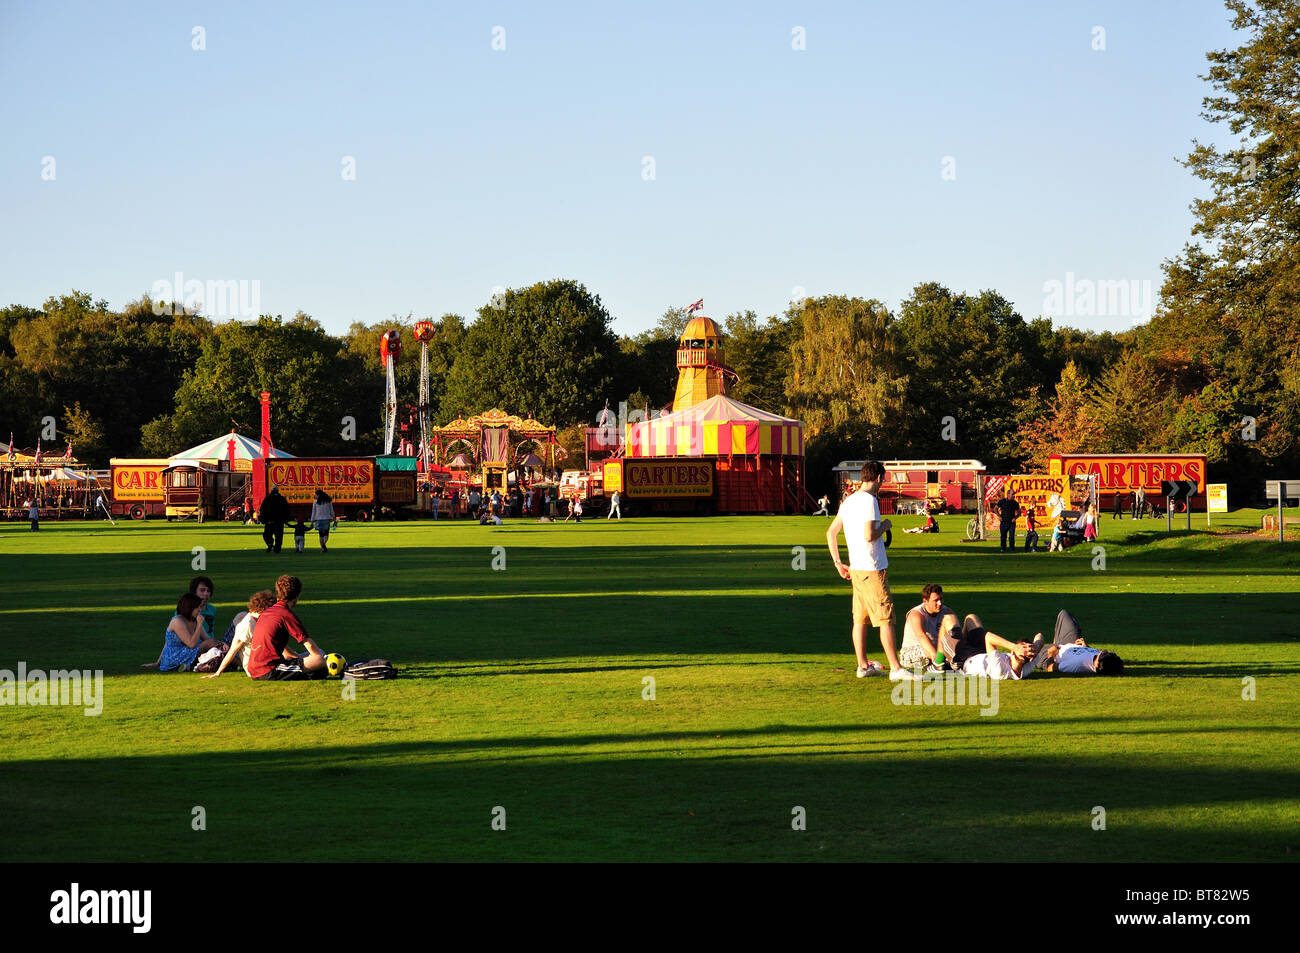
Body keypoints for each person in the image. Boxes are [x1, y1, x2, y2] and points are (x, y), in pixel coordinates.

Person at [825, 460, 915, 681]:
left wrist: (838, 563)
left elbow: (831, 533)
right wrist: (885, 525)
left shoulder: (849, 501)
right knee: (885, 618)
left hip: (856, 569)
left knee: (860, 619)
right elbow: (869, 535)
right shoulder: (870, 501)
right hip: (873, 568)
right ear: (878, 479)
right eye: (883, 479)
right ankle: (896, 668)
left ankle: (863, 665)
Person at [245, 575, 329, 680]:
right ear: (297, 595)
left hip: (255, 669)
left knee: (314, 657)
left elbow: (285, 650)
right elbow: (310, 645)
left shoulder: (268, 612)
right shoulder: (285, 614)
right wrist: (321, 661)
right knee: (320, 657)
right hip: (269, 670)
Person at [938, 614, 1043, 680]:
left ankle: (937, 663)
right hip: (982, 651)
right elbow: (1040, 635)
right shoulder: (1028, 665)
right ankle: (963, 640)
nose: (1024, 650)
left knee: (948, 619)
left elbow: (988, 637)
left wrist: (1013, 646)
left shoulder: (1000, 670)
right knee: (972, 618)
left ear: (1013, 652)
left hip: (963, 658)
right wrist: (1036, 647)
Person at [204, 590, 277, 678]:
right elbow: (233, 650)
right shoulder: (247, 624)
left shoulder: (258, 621)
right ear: (263, 609)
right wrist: (218, 672)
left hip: (266, 662)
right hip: (257, 668)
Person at [146, 593, 223, 672]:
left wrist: (222, 644)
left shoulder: (194, 620)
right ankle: (233, 662)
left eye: (200, 607)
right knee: (211, 646)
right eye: (197, 607)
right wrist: (199, 625)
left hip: (186, 654)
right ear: (189, 608)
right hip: (174, 658)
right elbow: (191, 644)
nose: (199, 610)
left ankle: (194, 666)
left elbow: (207, 639)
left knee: (215, 649)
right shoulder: (177, 621)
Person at [1035, 608, 1126, 675]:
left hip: (1056, 653)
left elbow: (1050, 668)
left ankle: (1038, 645)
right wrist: (1086, 647)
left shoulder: (1077, 665)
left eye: (1104, 653)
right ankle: (1054, 641)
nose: (1103, 651)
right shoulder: (1101, 660)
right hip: (1072, 643)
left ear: (1098, 664)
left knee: (1030, 650)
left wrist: (1051, 653)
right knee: (1064, 614)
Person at [899, 583, 960, 670]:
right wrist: (934, 655)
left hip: (937, 648)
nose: (940, 603)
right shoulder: (916, 614)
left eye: (941, 599)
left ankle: (942, 662)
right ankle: (937, 663)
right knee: (926, 652)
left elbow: (955, 634)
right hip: (915, 650)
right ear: (925, 601)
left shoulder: (946, 612)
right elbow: (921, 636)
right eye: (936, 600)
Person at [259, 486, 290, 553]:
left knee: (267, 535)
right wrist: (286, 519)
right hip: (279, 521)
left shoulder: (267, 499)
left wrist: (262, 519)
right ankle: (277, 549)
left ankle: (270, 543)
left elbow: (262, 509)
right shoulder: (282, 499)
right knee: (279, 536)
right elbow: (286, 510)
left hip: (269, 521)